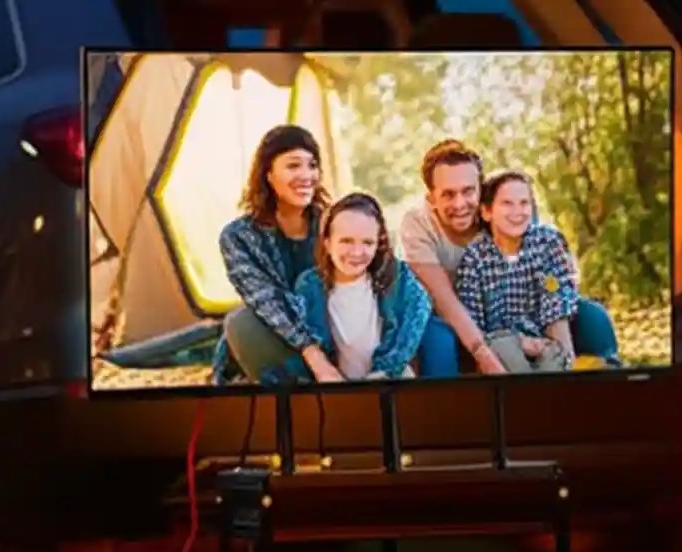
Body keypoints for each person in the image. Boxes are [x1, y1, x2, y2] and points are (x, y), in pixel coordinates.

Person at [210, 124, 340, 385]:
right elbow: (267, 302)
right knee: (242, 322)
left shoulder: (334, 225)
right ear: (268, 174)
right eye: (293, 166)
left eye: (312, 165)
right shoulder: (238, 237)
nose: (306, 175)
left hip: (333, 333)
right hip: (276, 335)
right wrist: (315, 357)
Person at [278, 192, 432, 383]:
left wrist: (383, 373)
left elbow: (416, 317)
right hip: (333, 388)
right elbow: (299, 334)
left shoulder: (397, 278)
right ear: (327, 242)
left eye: (367, 242)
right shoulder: (309, 285)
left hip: (390, 381)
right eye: (346, 241)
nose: (357, 252)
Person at [397, 140, 507, 377]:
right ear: (431, 199)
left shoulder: (504, 207)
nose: (460, 204)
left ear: (480, 189)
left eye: (468, 191)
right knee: (436, 337)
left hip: (501, 307)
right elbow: (443, 299)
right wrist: (483, 353)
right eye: (448, 194)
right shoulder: (417, 223)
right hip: (446, 318)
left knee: (591, 314)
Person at [455, 169, 580, 373]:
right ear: (487, 212)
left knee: (554, 358)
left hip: (544, 336)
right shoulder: (475, 257)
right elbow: (474, 322)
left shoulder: (548, 243)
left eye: (524, 203)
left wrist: (564, 354)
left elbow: (556, 300)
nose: (518, 212)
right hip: (500, 342)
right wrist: (520, 341)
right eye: (507, 204)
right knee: (506, 351)